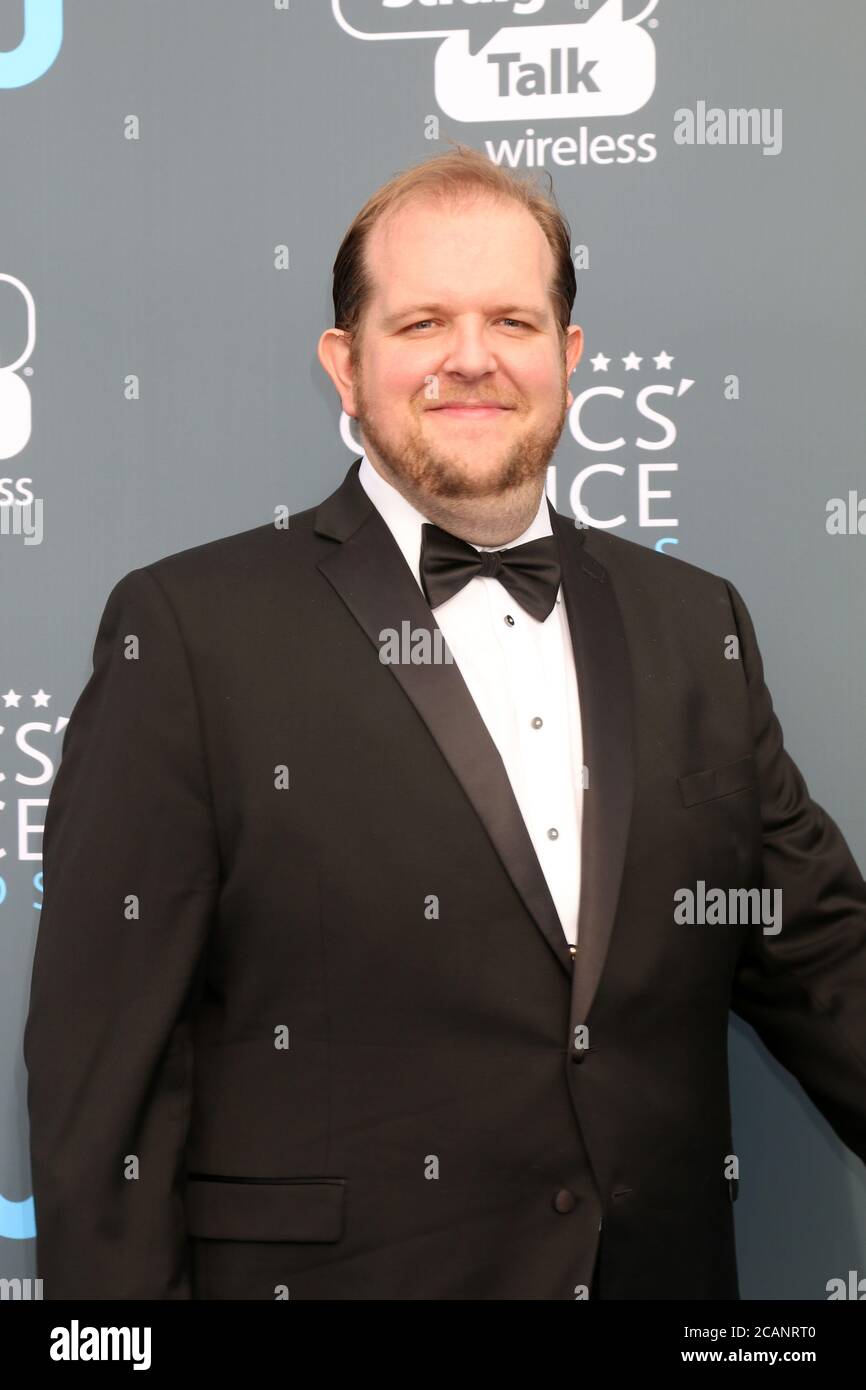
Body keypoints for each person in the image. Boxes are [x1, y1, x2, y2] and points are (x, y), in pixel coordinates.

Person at [23, 145, 866, 1301]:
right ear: (345, 363)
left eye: (511, 321)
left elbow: (820, 959)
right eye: (422, 322)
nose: (471, 359)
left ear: (567, 358)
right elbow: (103, 1082)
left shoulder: (692, 623)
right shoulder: (186, 633)